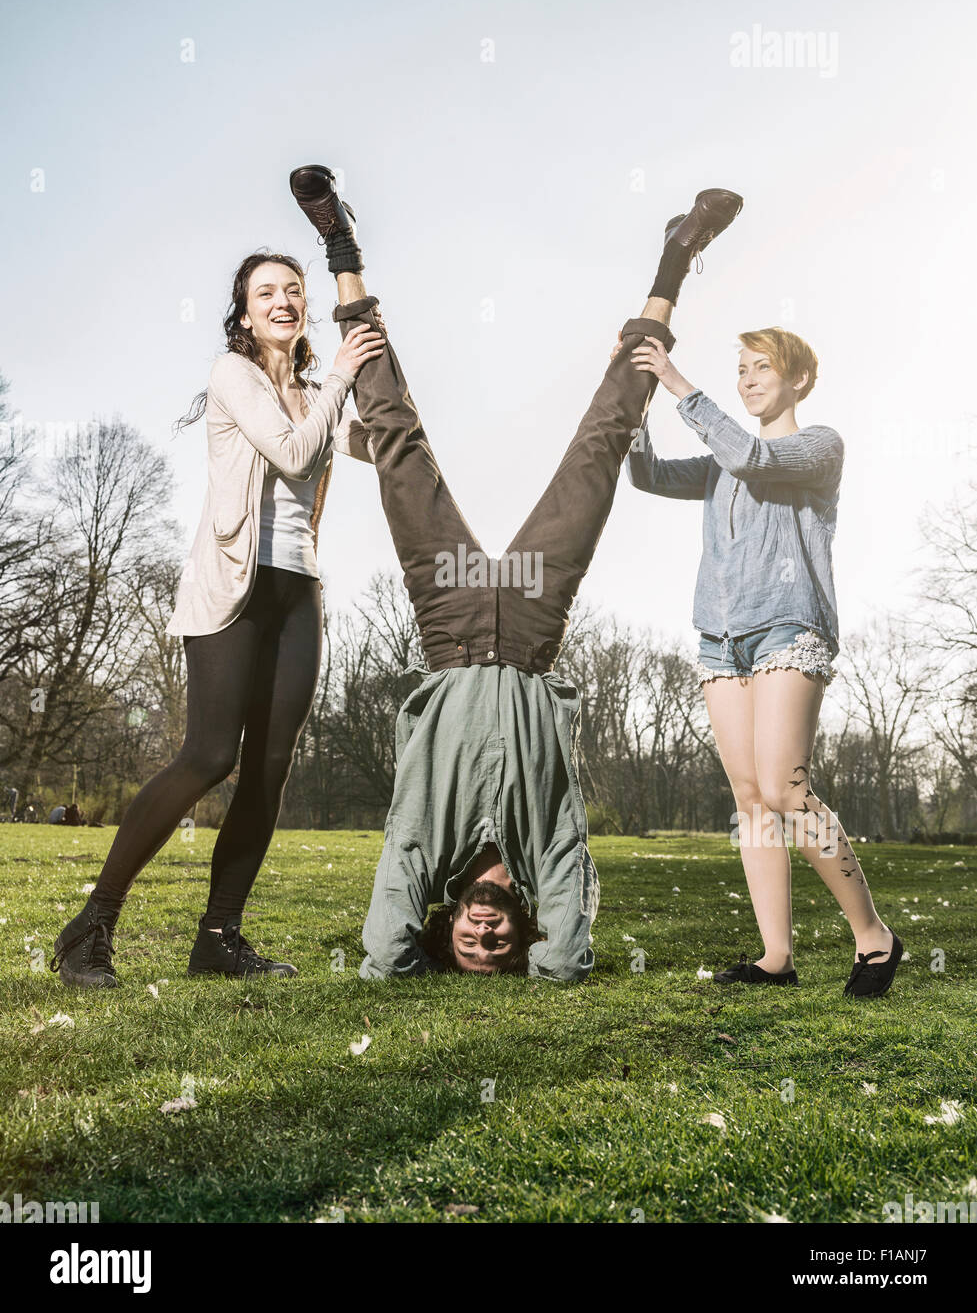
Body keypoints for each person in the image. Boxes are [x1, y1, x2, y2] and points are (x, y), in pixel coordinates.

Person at [289, 165, 743, 979]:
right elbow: (566, 962)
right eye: (496, 949)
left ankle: (338, 245)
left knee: (394, 439)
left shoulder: (423, 850)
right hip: (533, 624)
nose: (482, 938)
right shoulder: (549, 856)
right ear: (521, 933)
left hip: (451, 623)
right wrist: (541, 955)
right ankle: (676, 259)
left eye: (465, 945)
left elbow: (385, 960)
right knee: (601, 445)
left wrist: (418, 959)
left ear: (446, 926)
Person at [50, 252, 382, 988]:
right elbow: (295, 454)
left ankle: (218, 938)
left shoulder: (310, 390)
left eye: (295, 289)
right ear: (244, 312)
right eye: (267, 291)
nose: (283, 299)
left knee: (269, 773)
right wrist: (341, 379)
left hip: (300, 591)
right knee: (209, 756)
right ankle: (91, 926)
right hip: (232, 587)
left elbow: (375, 445)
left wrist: (380, 398)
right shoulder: (234, 376)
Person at [626, 325, 903, 999]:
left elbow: (751, 456)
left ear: (797, 380)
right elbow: (648, 475)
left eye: (762, 368)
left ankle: (874, 937)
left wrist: (674, 382)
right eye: (741, 369)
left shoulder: (816, 446)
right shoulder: (722, 460)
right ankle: (775, 957)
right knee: (752, 800)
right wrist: (630, 402)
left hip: (788, 624)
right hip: (720, 637)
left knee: (785, 789)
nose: (747, 380)